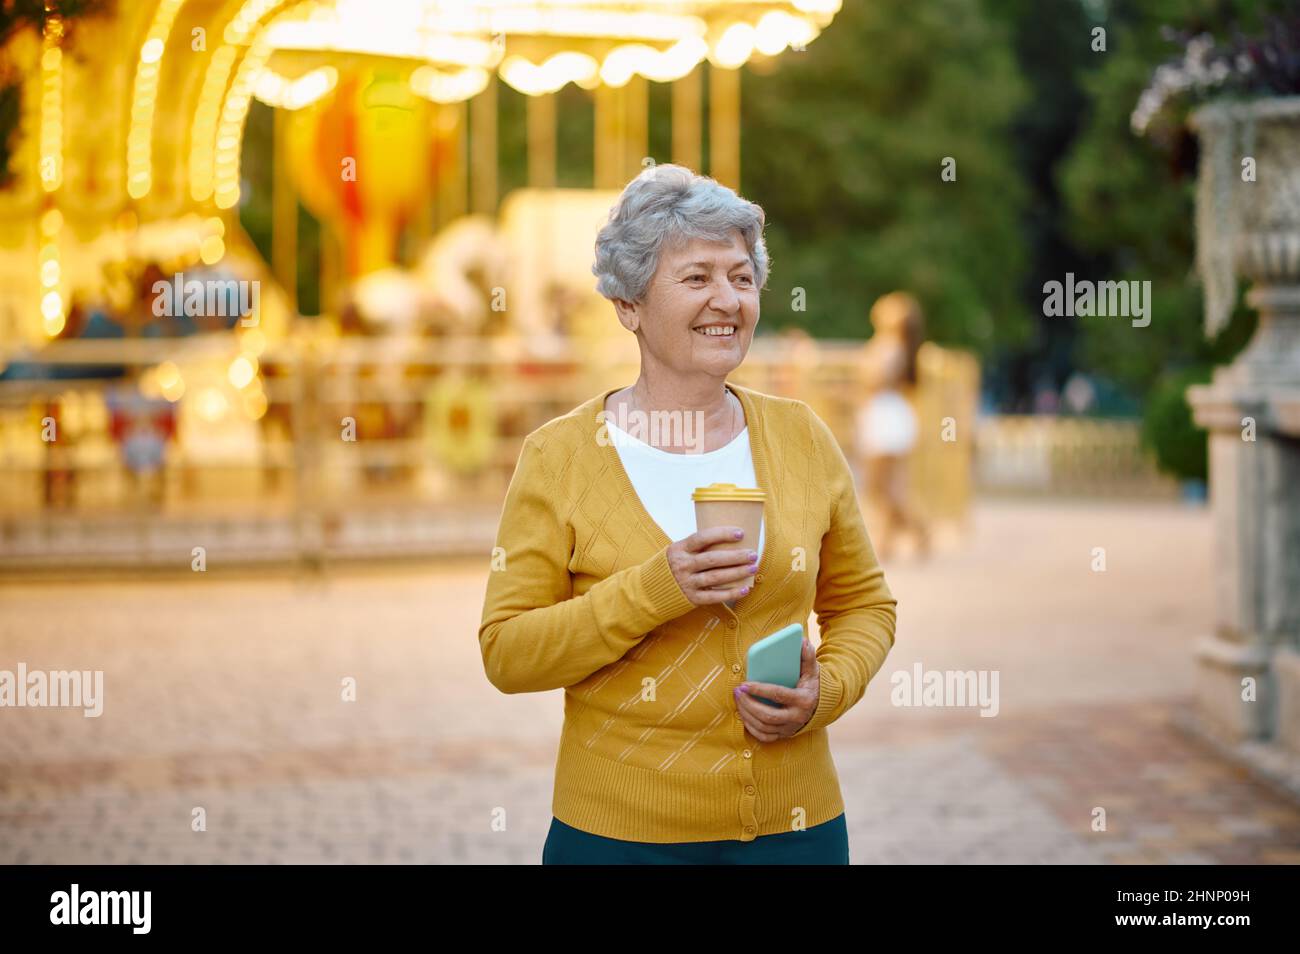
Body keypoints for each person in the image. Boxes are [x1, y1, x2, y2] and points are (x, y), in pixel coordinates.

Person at [478, 164, 897, 864]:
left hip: (796, 829)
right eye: (697, 278)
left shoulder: (802, 436)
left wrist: (827, 688)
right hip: (618, 838)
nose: (727, 300)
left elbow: (865, 606)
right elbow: (507, 653)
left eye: (740, 277)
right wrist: (654, 589)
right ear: (629, 304)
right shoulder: (559, 457)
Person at [855, 291, 930, 561]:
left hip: (886, 418)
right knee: (885, 486)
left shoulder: (891, 346)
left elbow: (876, 380)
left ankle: (908, 533)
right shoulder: (894, 346)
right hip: (887, 416)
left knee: (880, 485)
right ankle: (902, 535)